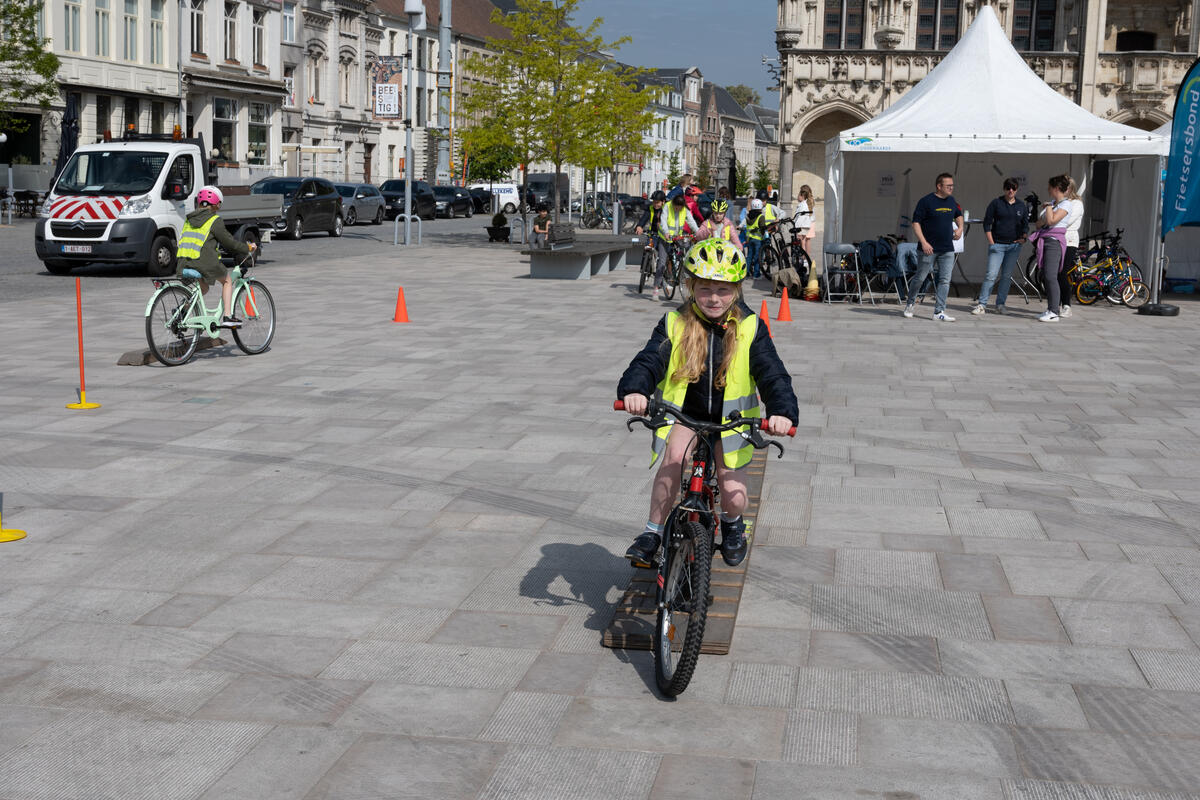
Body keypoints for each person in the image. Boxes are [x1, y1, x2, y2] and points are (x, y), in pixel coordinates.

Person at [618, 238, 798, 568]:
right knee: (673, 461)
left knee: (733, 493)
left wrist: (781, 412)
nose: (714, 298)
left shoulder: (750, 327)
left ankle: (732, 524)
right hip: (685, 414)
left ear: (737, 290)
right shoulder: (675, 322)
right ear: (691, 288)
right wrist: (635, 390)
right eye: (705, 289)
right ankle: (652, 533)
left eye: (723, 290)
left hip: (732, 420)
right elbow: (650, 360)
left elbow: (772, 373)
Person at [176, 185, 256, 328]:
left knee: (203, 288)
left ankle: (182, 311)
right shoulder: (214, 220)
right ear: (216, 204)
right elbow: (229, 243)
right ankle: (228, 316)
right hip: (203, 262)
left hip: (184, 262)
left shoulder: (189, 219)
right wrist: (247, 248)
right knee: (227, 280)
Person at [902, 173, 963, 322]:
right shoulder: (926, 201)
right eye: (948, 186)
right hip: (928, 249)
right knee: (920, 278)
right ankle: (910, 303)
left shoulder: (951, 200)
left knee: (945, 280)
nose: (951, 188)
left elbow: (958, 214)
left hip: (947, 248)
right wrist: (923, 242)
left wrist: (960, 228)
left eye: (952, 185)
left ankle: (939, 311)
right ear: (939, 186)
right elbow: (916, 223)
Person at [973, 178, 1029, 315]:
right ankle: (982, 304)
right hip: (997, 245)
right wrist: (991, 242)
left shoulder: (1021, 206)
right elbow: (987, 223)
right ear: (1004, 189)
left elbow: (1025, 225)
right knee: (991, 275)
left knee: (1006, 276)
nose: (1011, 191)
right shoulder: (996, 203)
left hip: (1014, 246)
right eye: (1008, 188)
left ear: (1017, 190)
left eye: (1013, 188)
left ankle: (1000, 304)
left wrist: (1024, 238)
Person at [1028, 174, 1076, 322]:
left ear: (1056, 188)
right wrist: (1049, 211)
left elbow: (1050, 220)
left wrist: (1048, 208)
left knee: (1051, 276)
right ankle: (1050, 309)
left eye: (1050, 187)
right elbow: (1039, 223)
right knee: (1046, 276)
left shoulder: (1066, 204)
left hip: (1054, 242)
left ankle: (1054, 311)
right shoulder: (1054, 203)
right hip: (1045, 240)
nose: (1048, 189)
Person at [1057, 176, 1084, 318]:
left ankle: (1066, 305)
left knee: (1063, 273)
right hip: (1057, 239)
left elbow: (1066, 221)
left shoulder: (1076, 204)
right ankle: (1054, 305)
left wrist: (1052, 219)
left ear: (1069, 188)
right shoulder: (1060, 202)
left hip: (1069, 241)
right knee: (1054, 274)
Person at [636, 190, 670, 300]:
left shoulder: (667, 210)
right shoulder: (650, 208)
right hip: (653, 234)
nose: (655, 204)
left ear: (663, 202)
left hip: (664, 236)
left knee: (664, 257)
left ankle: (665, 276)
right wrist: (639, 226)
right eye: (654, 202)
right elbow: (644, 218)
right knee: (647, 247)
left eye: (658, 202)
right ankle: (644, 269)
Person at [742, 198, 777, 279]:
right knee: (758, 257)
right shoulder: (761, 217)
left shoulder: (748, 216)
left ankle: (746, 273)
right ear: (760, 207)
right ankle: (756, 274)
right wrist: (768, 232)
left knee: (749, 256)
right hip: (758, 239)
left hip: (750, 239)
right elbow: (763, 229)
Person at [793, 185, 815, 258]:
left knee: (802, 240)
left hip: (805, 222)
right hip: (810, 222)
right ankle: (807, 257)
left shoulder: (804, 203)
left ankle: (803, 257)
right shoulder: (810, 200)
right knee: (807, 240)